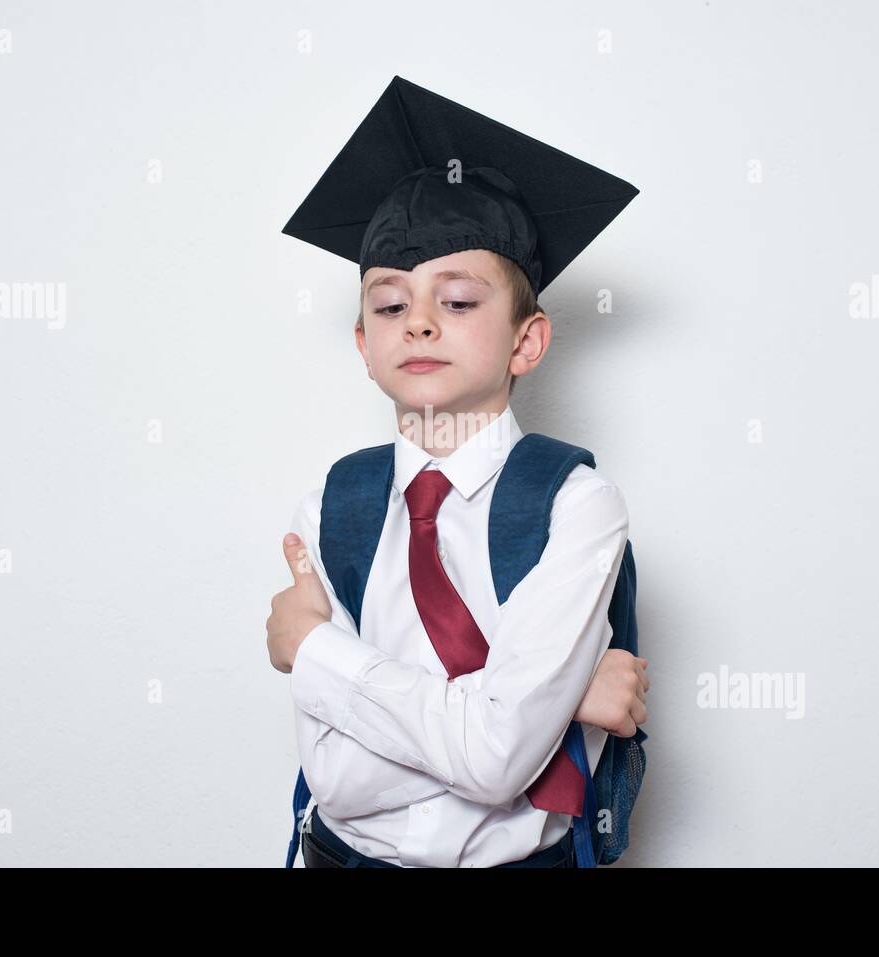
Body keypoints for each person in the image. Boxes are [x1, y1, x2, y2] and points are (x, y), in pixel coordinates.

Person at [266, 76, 648, 868]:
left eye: (461, 301)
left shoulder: (576, 506)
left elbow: (501, 759)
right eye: (390, 304)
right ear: (364, 346)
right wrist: (557, 711)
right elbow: (336, 781)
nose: (422, 321)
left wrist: (318, 654)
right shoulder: (328, 513)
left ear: (527, 341)